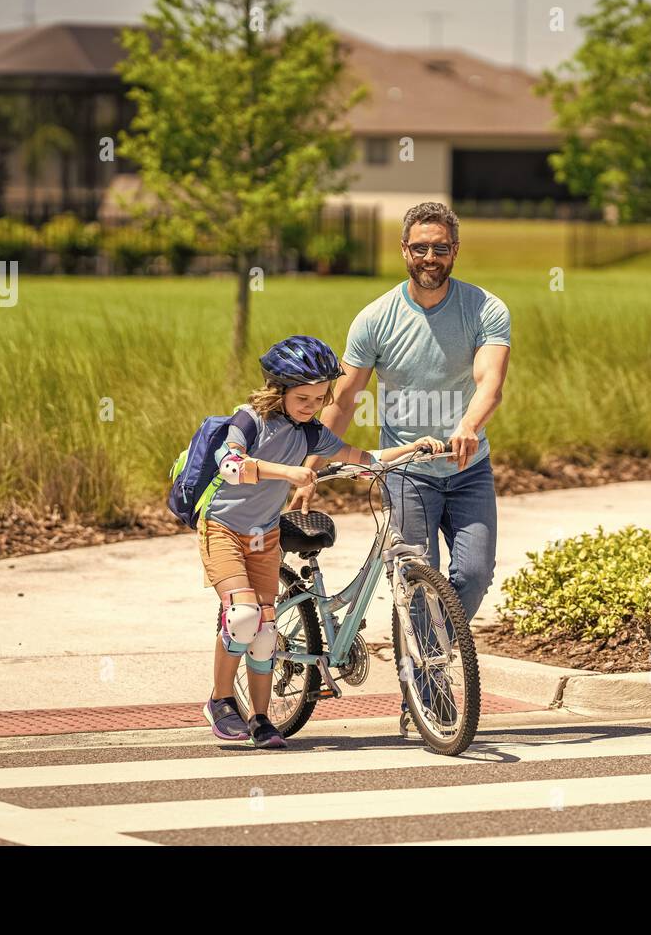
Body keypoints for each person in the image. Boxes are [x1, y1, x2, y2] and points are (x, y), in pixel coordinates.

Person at [290, 201, 511, 739]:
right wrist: (311, 468)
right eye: (420, 247)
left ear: (454, 250)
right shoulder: (375, 319)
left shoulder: (485, 309)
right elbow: (343, 402)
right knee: (415, 580)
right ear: (404, 250)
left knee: (474, 574)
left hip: (468, 466)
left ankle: (426, 660)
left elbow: (490, 382)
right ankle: (428, 697)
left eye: (440, 247)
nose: (430, 257)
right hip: (407, 473)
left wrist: (467, 426)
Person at [200, 334, 445, 748]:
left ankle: (260, 719)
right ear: (278, 390)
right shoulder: (249, 420)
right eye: (303, 398)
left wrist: (412, 450)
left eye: (319, 399)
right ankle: (221, 700)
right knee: (242, 618)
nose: (311, 407)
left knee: (264, 632)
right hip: (222, 528)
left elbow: (361, 455)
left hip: (265, 535)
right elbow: (229, 464)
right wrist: (287, 473)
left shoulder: (311, 433)